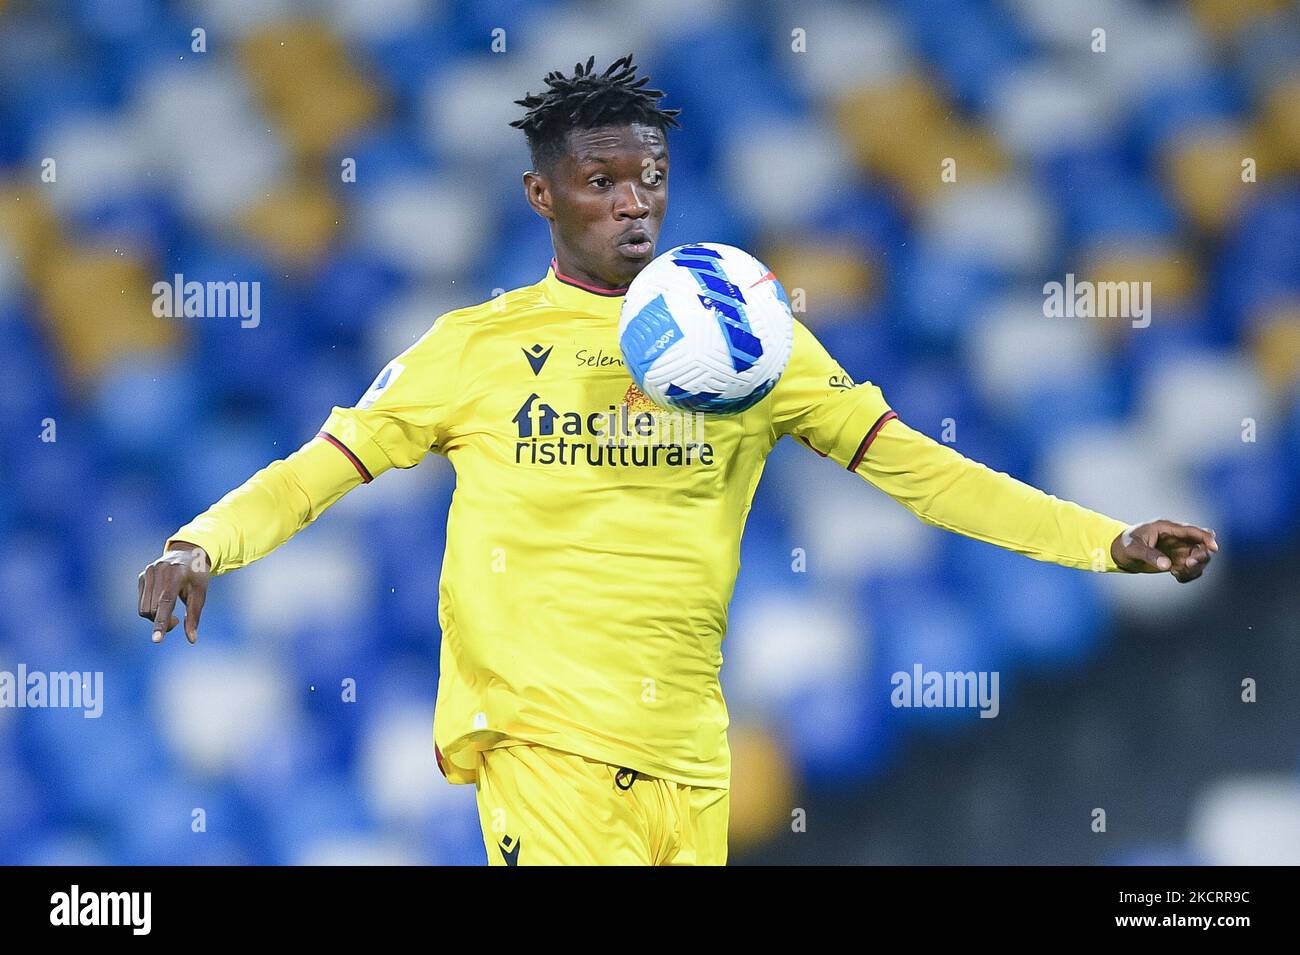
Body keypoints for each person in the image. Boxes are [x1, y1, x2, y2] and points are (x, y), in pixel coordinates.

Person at [137, 53, 1218, 866]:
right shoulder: (470, 348)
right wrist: (204, 543)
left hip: (691, 751)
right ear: (543, 198)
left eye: (647, 177)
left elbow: (920, 470)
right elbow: (319, 466)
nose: (632, 202)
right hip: (539, 748)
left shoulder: (749, 334)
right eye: (600, 181)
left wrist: (1104, 541)